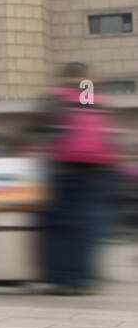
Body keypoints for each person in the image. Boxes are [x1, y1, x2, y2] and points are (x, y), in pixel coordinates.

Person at [37, 62, 121, 293]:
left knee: (62, 225)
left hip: (66, 170)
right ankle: (85, 278)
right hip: (99, 172)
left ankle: (65, 279)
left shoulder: (56, 98)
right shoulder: (99, 99)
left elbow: (35, 130)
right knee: (90, 225)